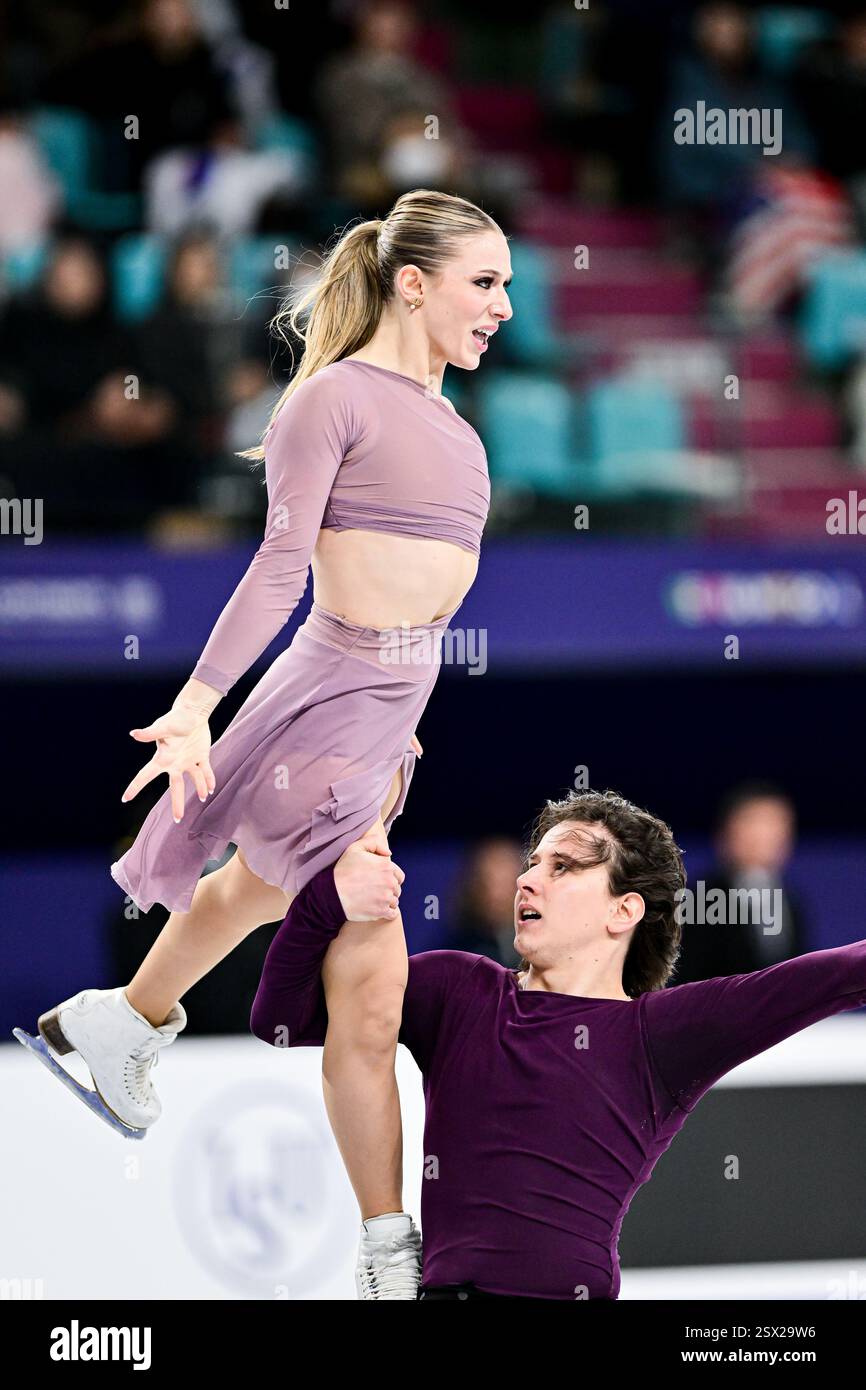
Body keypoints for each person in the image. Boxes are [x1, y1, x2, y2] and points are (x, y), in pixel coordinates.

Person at [19, 190, 513, 1300]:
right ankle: (390, 1245)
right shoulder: (330, 400)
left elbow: (421, 620)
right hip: (328, 685)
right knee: (367, 950)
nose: (503, 306)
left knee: (263, 892)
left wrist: (405, 732)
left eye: (508, 285)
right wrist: (198, 699)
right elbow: (279, 570)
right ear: (413, 282)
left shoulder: (463, 437)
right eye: (485, 282)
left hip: (389, 712)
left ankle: (123, 1019)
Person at [250, 787, 866, 1300]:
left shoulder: (661, 1036)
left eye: (563, 867)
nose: (527, 880)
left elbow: (839, 975)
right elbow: (283, 1019)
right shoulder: (462, 989)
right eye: (532, 863)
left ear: (624, 911)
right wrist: (327, 900)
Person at [673, 780, 806, 984]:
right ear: (727, 831)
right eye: (754, 822)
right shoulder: (699, 900)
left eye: (777, 824)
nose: (766, 835)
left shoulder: (792, 901)